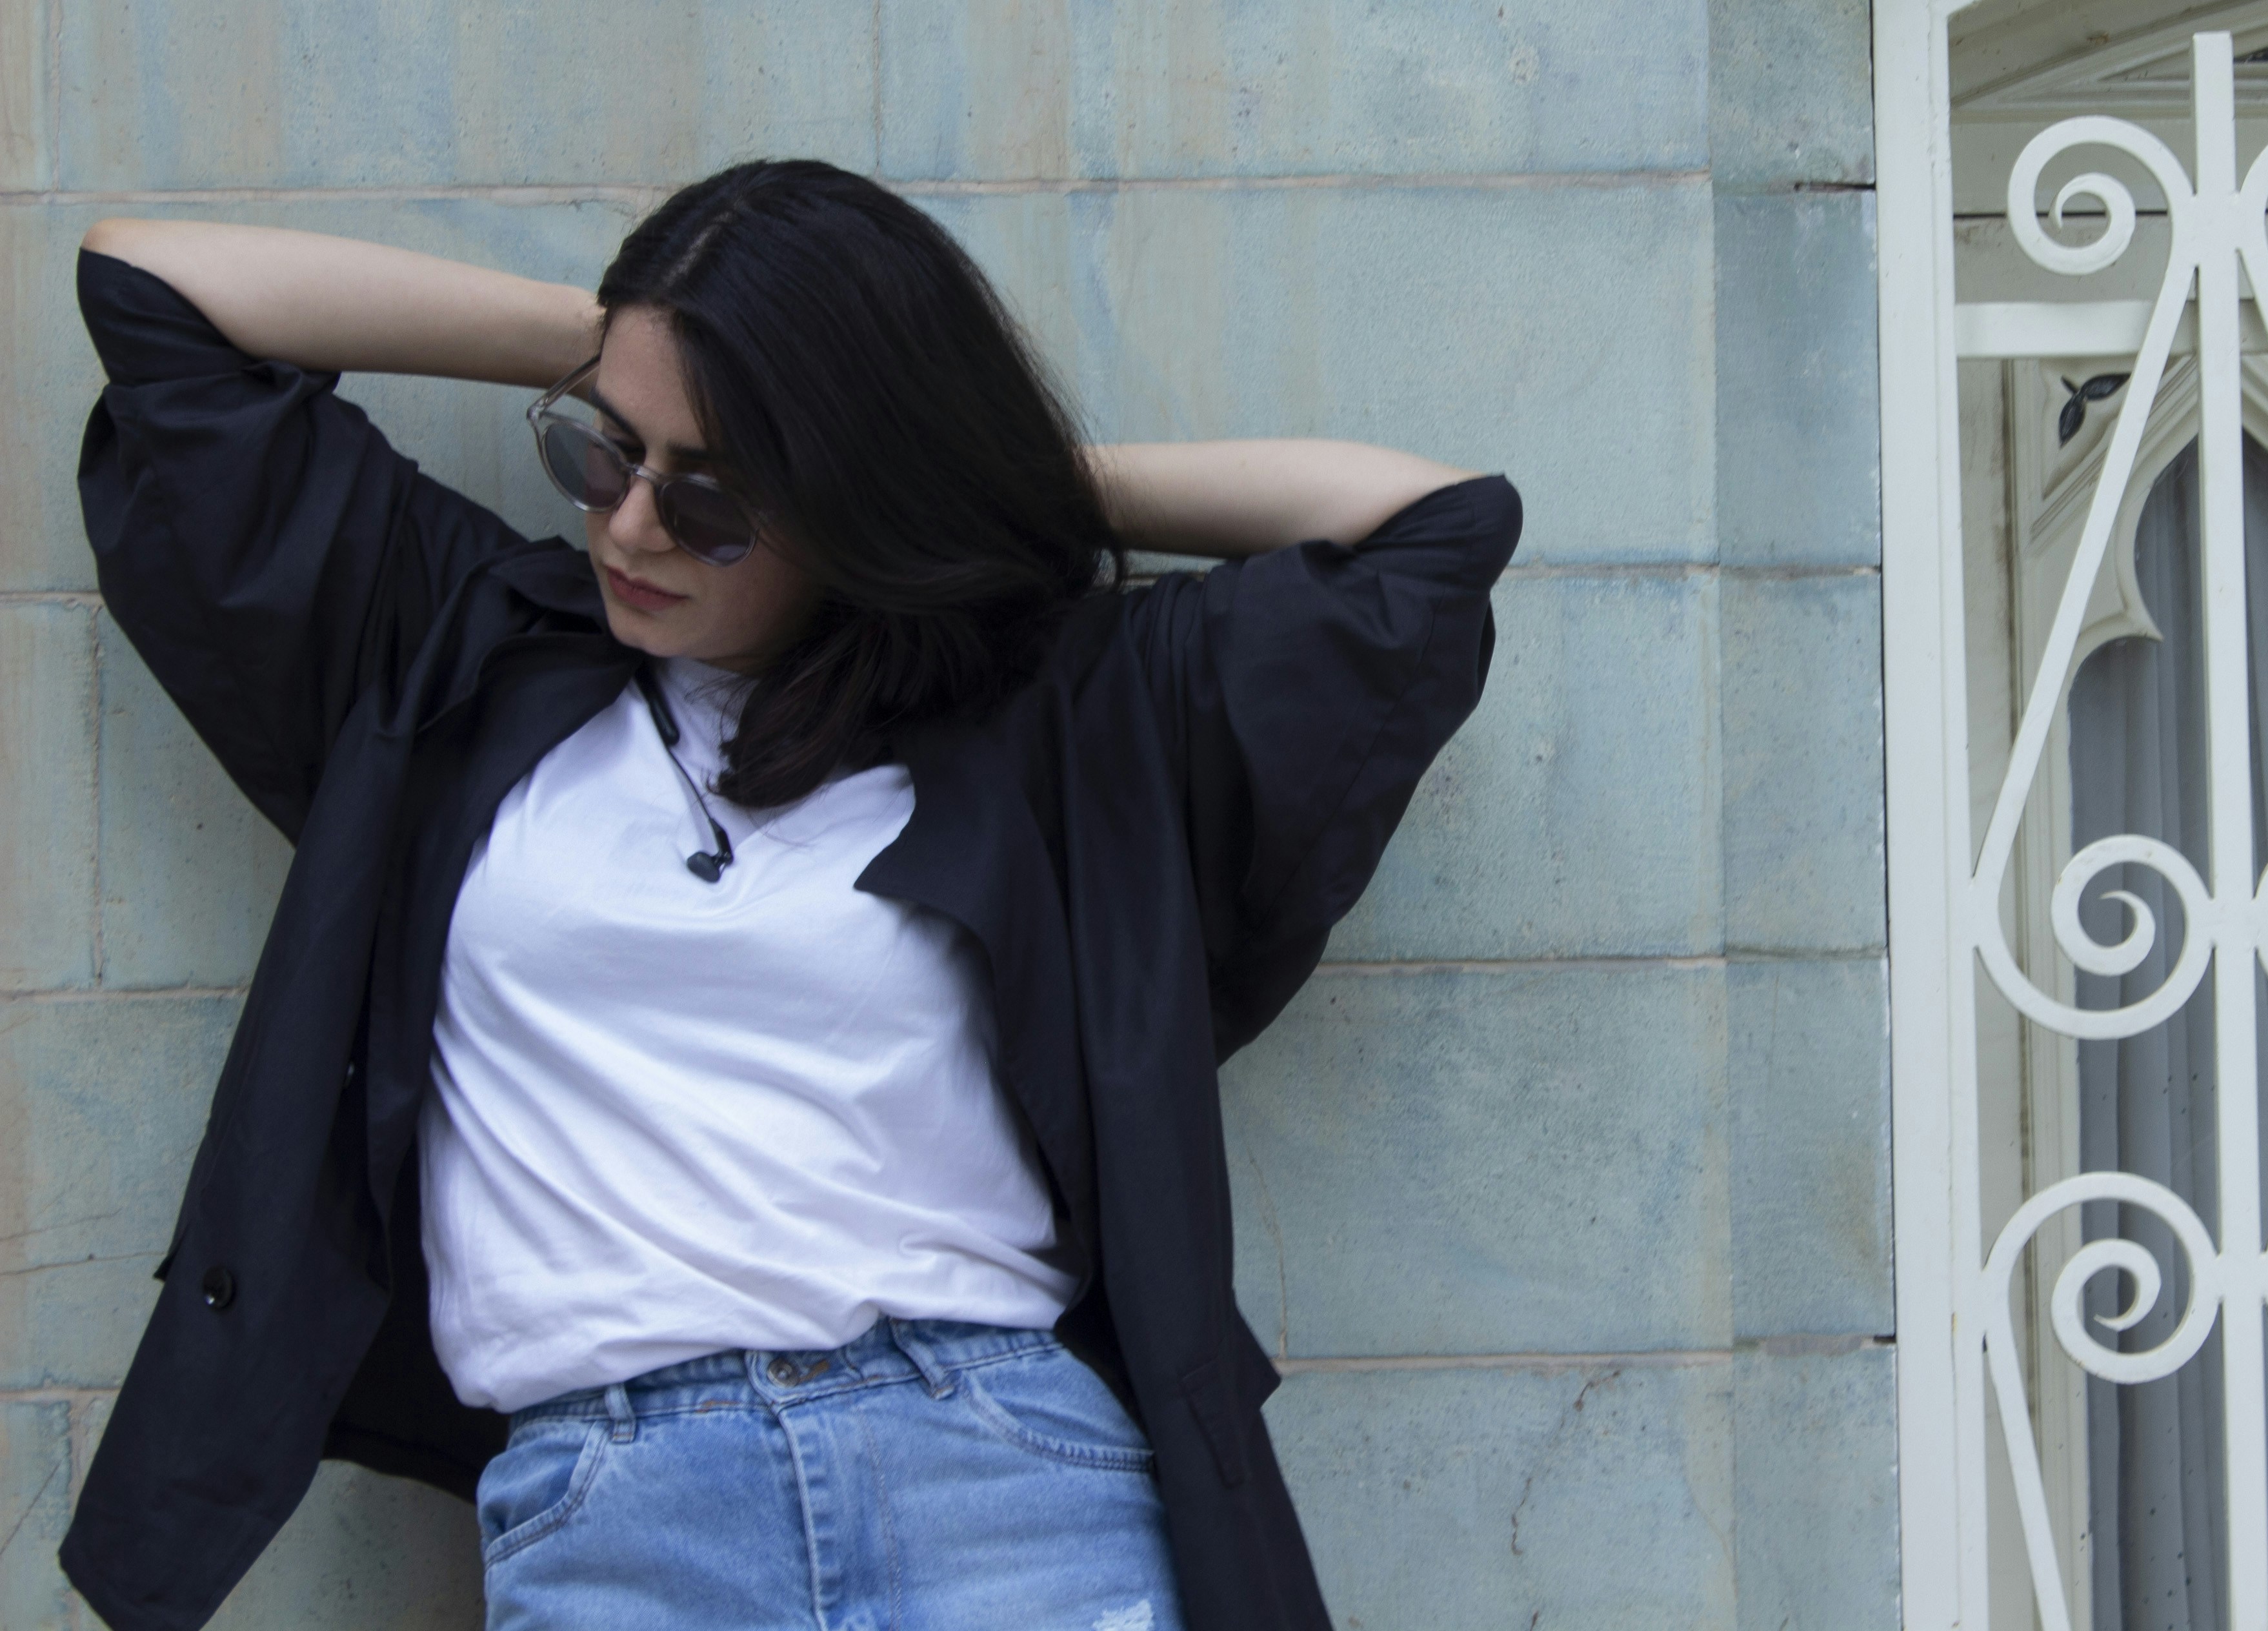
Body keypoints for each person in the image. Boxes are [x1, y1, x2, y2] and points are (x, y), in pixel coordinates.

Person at [54, 160, 1519, 1631]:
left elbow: (1431, 533)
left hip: (1005, 1481)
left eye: (715, 501)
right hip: (617, 1516)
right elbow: (154, 290)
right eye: (604, 455)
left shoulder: (1048, 720)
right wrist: (629, 334)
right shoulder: (455, 651)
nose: (632, 529)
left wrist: (971, 476)